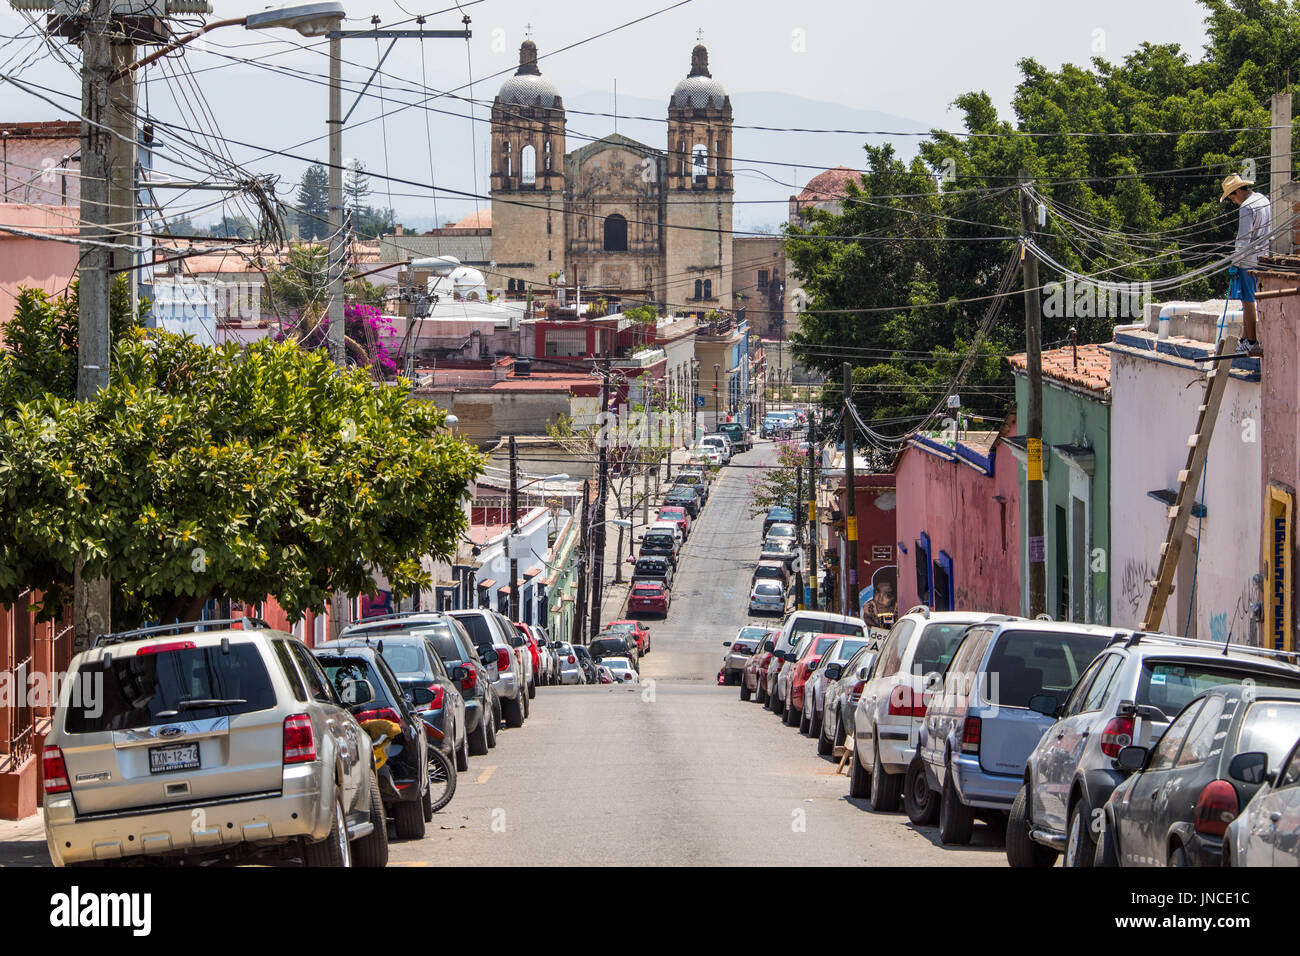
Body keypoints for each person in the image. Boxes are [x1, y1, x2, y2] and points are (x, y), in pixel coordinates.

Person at [1221, 173, 1272, 356]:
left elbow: (1243, 239)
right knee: (1251, 300)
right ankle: (1245, 337)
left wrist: (1235, 262)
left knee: (1248, 302)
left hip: (1248, 261)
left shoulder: (1246, 207)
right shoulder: (1264, 200)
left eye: (1232, 196)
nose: (1233, 201)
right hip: (1264, 257)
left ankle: (1252, 341)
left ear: (1239, 191)